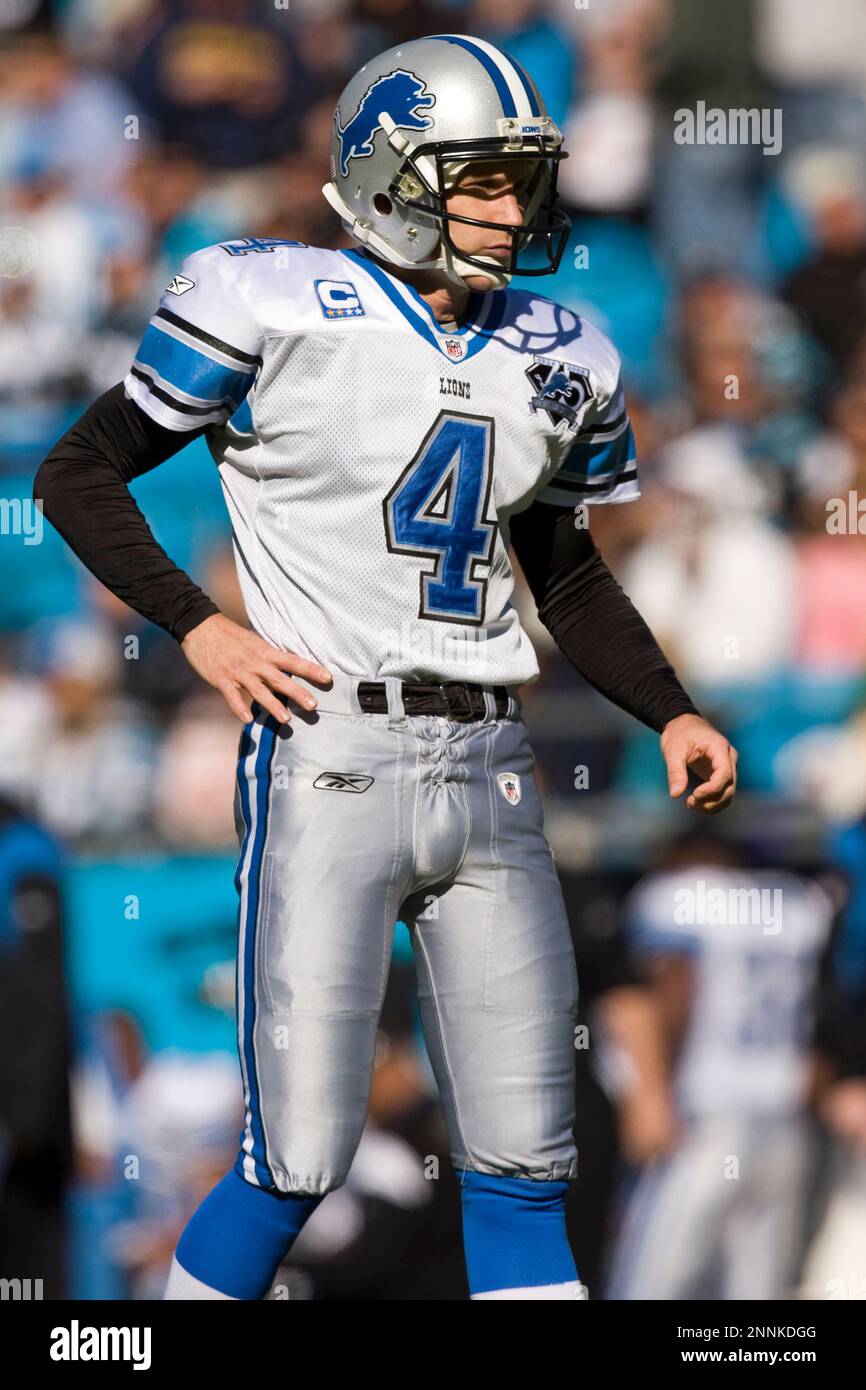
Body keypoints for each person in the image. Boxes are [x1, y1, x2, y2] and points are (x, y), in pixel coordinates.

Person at [34, 33, 737, 1301]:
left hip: (492, 769)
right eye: (478, 177)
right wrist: (199, 624)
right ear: (388, 174)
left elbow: (562, 571)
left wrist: (670, 710)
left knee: (527, 1165)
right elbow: (75, 471)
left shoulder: (559, 345)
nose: (510, 208)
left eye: (523, 178)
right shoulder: (273, 297)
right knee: (293, 1158)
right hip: (328, 753)